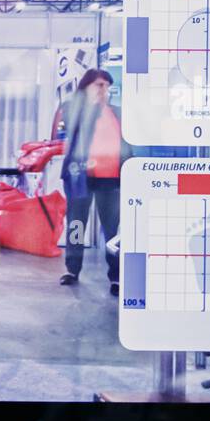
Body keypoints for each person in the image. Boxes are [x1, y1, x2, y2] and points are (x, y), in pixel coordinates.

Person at [57, 69, 129, 296]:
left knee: (113, 230)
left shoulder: (118, 113)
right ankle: (73, 269)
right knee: (77, 225)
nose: (104, 91)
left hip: (112, 180)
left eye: (107, 87)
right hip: (81, 178)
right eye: (99, 85)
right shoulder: (74, 110)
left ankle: (117, 275)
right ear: (86, 88)